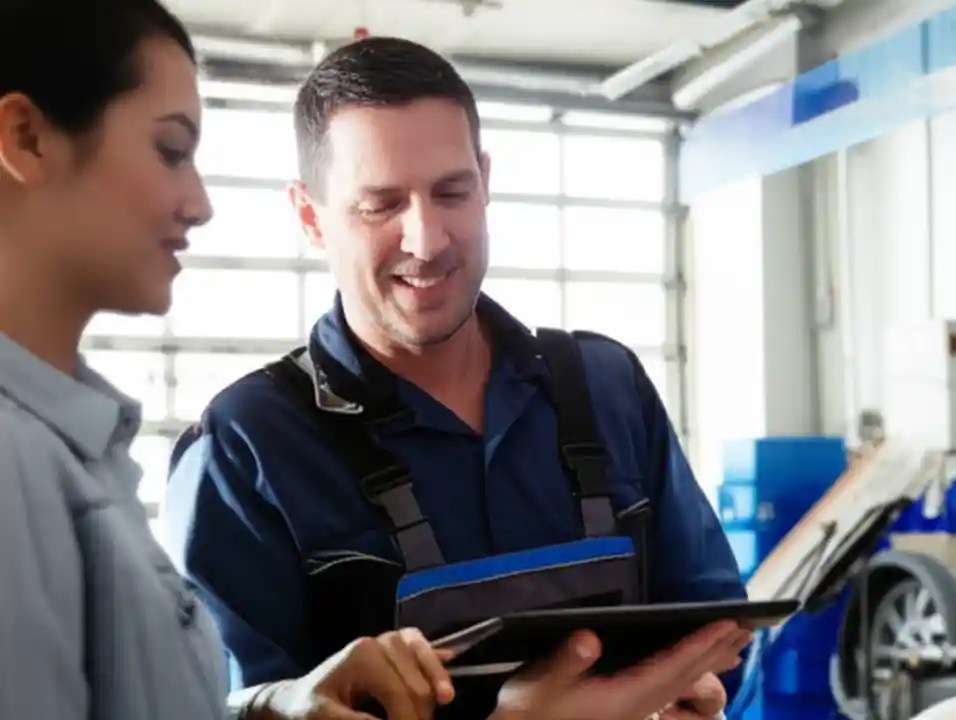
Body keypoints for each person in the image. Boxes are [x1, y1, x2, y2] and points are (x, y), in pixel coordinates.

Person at [0, 2, 748, 719]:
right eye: (381, 204)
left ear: (485, 182)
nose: (427, 239)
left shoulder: (607, 387)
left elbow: (719, 631)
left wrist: (697, 687)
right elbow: (222, 705)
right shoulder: (246, 448)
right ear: (309, 215)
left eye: (452, 192)